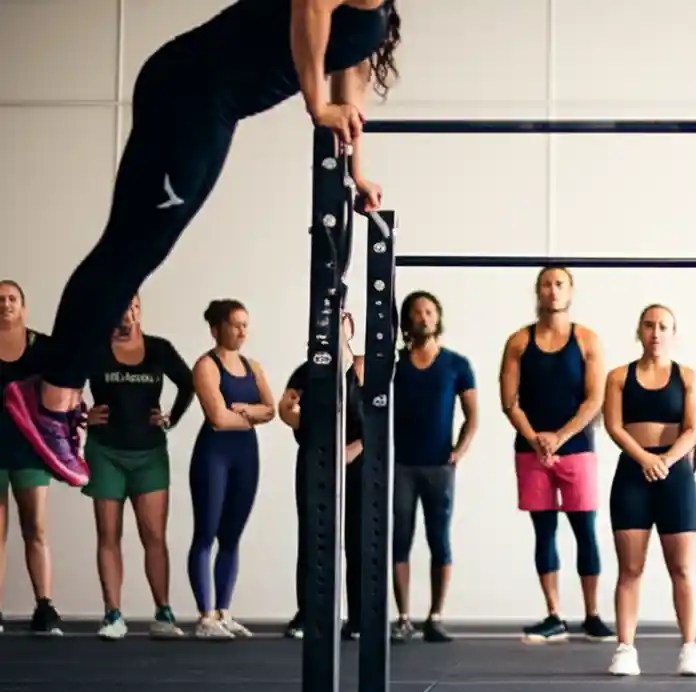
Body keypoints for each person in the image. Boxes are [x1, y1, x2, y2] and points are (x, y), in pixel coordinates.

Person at [3, 0, 399, 487]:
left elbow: (351, 84)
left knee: (129, 252)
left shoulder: (374, 14)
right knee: (129, 255)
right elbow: (310, 5)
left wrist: (357, 171)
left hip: (200, 94)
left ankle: (49, 386)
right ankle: (52, 396)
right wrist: (316, 105)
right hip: (197, 93)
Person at [499, 267, 614, 644]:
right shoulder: (518, 341)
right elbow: (509, 401)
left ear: (570, 291)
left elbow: (594, 399)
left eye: (559, 284)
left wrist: (560, 437)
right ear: (538, 291)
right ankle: (553, 615)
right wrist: (536, 439)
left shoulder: (586, 340)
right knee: (544, 531)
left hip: (576, 448)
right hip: (532, 451)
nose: (553, 290)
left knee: (585, 530)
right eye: (546, 284)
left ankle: (593, 614)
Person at [83, 295, 194, 640]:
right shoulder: (94, 348)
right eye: (122, 305)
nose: (127, 312)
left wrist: (171, 418)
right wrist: (80, 416)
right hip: (106, 452)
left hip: (149, 454)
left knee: (155, 536)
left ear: (140, 310)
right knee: (108, 534)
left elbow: (188, 382)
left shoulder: (159, 348)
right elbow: (60, 383)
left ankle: (163, 612)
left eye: (134, 306)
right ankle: (113, 614)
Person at [604, 304, 696, 677]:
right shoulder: (618, 376)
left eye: (663, 326)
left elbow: (693, 428)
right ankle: (625, 648)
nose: (656, 332)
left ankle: (690, 648)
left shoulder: (688, 376)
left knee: (681, 567)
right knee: (630, 568)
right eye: (649, 325)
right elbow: (614, 425)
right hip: (633, 474)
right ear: (639, 330)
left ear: (673, 333)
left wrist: (665, 460)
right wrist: (645, 458)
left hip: (674, 477)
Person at [389, 291, 476, 643]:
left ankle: (435, 616)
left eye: (429, 312)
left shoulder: (456, 364)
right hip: (401, 466)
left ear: (437, 318)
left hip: (440, 465)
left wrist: (459, 451)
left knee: (439, 541)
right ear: (407, 321)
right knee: (399, 541)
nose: (423, 317)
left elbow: (473, 415)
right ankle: (404, 617)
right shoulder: (394, 365)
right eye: (416, 312)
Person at [188, 299, 274, 639]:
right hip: (214, 455)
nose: (242, 331)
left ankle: (224, 611)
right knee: (206, 532)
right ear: (216, 328)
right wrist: (250, 415)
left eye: (245, 324)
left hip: (246, 456)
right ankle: (206, 617)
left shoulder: (253, 366)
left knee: (232, 535)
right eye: (236, 324)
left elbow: (271, 410)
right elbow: (218, 418)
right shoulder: (205, 366)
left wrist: (246, 412)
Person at [279, 311, 367, 640]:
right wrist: (290, 414)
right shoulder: (307, 372)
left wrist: (354, 449)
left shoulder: (364, 369)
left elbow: (383, 418)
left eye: (339, 322)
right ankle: (310, 615)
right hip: (316, 462)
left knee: (359, 539)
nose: (330, 328)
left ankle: (359, 619)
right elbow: (291, 414)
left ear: (350, 328)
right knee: (315, 538)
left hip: (359, 462)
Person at [0, 280, 62, 635]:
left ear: (23, 306)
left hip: (30, 449)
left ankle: (44, 607)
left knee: (35, 528)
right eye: (0, 299)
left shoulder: (43, 347)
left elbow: (64, 389)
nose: (6, 304)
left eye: (12, 299)